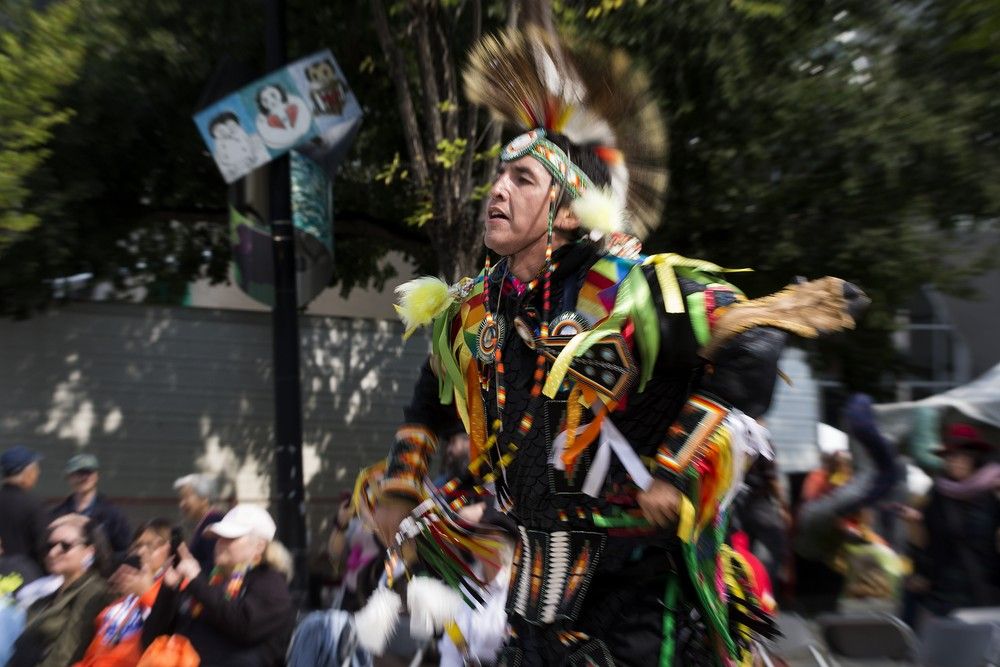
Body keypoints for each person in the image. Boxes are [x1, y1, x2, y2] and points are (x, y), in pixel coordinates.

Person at [370, 21, 866, 666]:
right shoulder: (472, 312)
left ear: (568, 211)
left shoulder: (631, 294)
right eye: (497, 178)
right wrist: (402, 486)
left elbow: (753, 341)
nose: (496, 190)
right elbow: (430, 402)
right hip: (538, 584)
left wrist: (672, 471)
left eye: (522, 180)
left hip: (644, 584)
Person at [142, 504, 296, 667]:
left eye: (230, 537)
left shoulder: (270, 582)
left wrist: (196, 581)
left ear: (259, 546)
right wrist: (169, 589)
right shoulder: (209, 580)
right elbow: (151, 639)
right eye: (218, 537)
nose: (220, 543)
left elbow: (244, 627)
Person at [908, 423, 1000, 619]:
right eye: (950, 456)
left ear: (975, 459)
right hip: (943, 594)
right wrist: (913, 524)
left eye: (962, 456)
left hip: (984, 591)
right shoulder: (937, 494)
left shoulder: (992, 493)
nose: (955, 462)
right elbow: (926, 544)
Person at [9, 514, 115, 667]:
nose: (53, 553)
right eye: (49, 546)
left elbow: (68, 650)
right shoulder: (48, 595)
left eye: (65, 546)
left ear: (89, 551)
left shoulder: (94, 591)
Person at [73, 518, 176, 667]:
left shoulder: (177, 588)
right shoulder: (125, 591)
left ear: (170, 549)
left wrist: (147, 594)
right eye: (138, 546)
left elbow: (167, 630)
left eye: (150, 545)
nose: (141, 551)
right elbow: (99, 645)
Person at [52, 454, 132, 557]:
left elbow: (124, 550)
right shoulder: (57, 515)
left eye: (88, 472)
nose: (83, 478)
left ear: (96, 476)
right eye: (78, 473)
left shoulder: (113, 515)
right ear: (69, 477)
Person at [0, 446, 47, 570]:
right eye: (36, 469)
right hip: (27, 577)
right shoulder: (33, 504)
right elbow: (43, 546)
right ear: (27, 472)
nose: (38, 473)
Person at [173, 473, 226, 572]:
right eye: (181, 499)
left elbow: (213, 564)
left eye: (186, 497)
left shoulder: (213, 522)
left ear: (204, 498)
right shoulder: (205, 521)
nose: (182, 504)